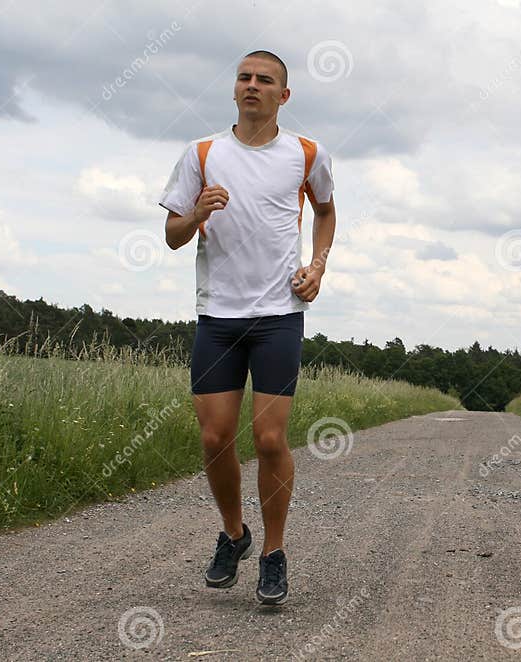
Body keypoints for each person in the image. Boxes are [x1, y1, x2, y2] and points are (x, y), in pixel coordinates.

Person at [158, 49, 336, 605]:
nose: (252, 85)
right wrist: (196, 213)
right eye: (244, 77)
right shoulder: (202, 154)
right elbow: (172, 235)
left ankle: (273, 553)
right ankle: (234, 534)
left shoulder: (306, 153)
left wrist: (318, 266)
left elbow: (326, 211)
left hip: (279, 314)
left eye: (265, 79)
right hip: (218, 315)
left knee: (269, 438)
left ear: (284, 95)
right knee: (214, 438)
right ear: (234, 89)